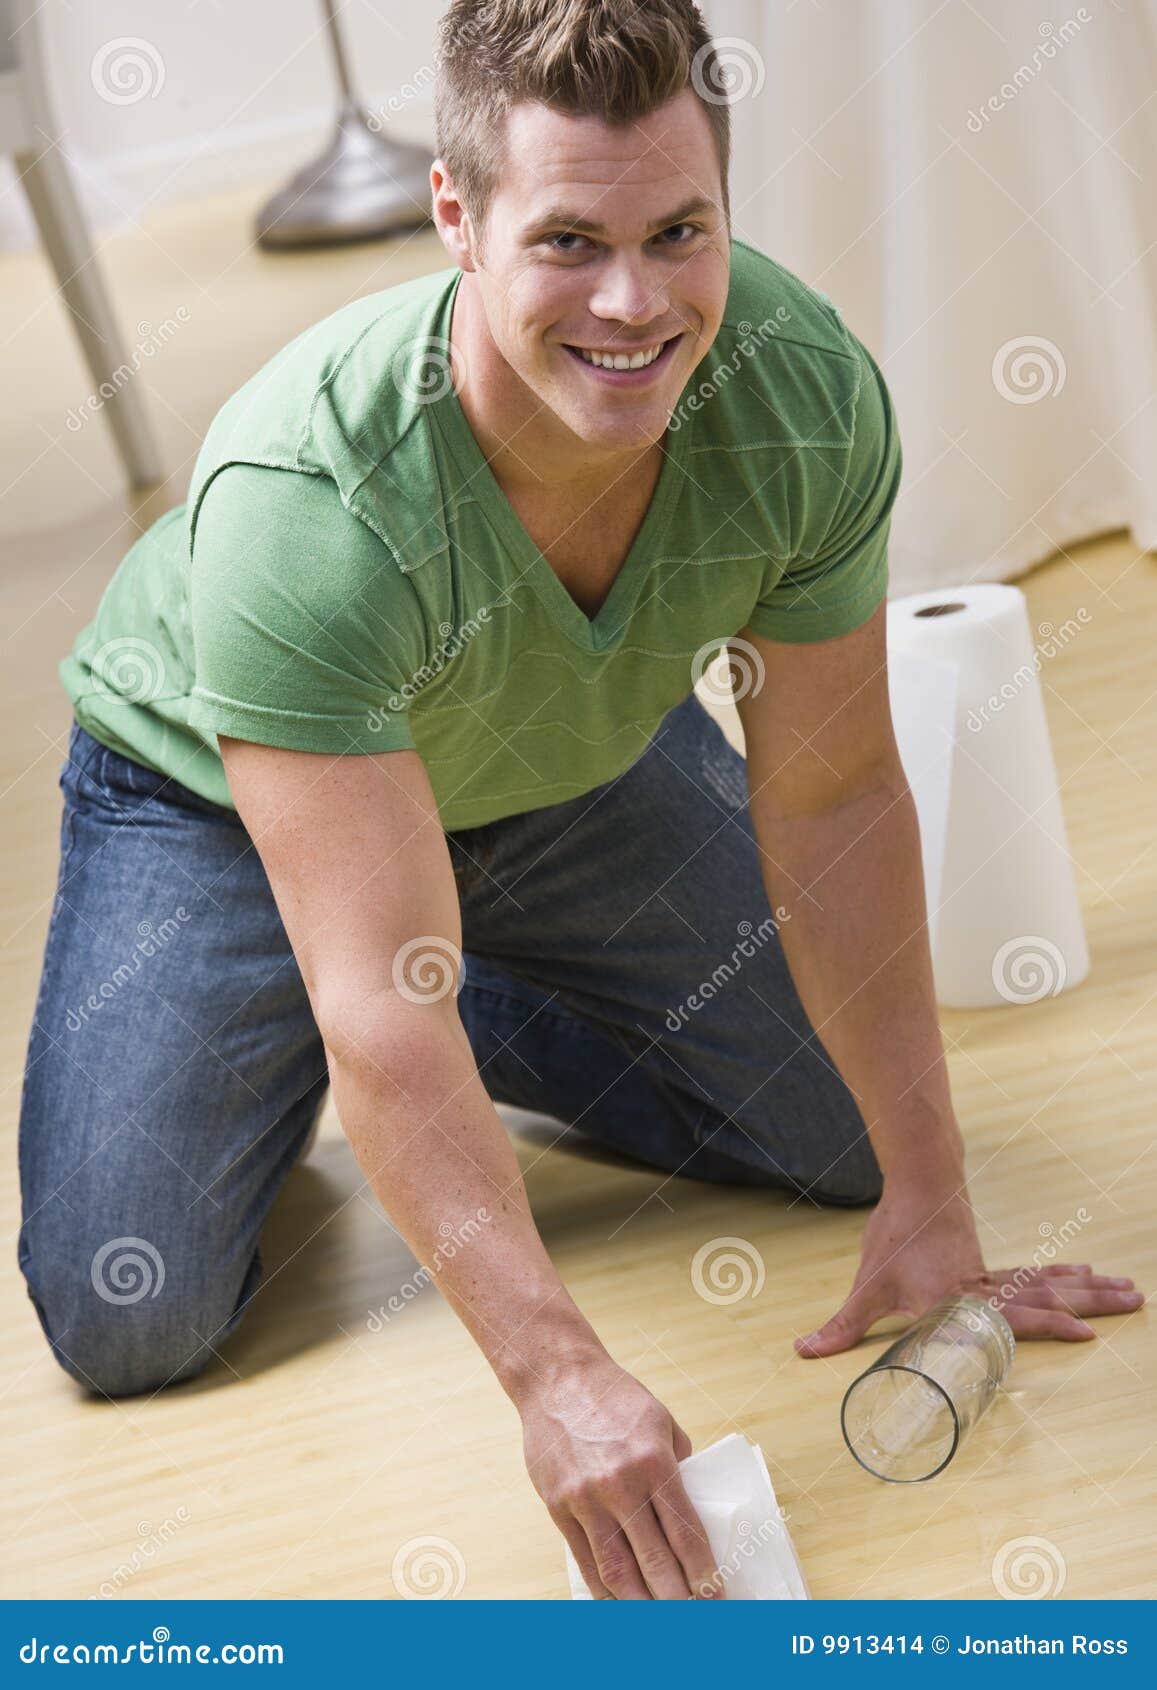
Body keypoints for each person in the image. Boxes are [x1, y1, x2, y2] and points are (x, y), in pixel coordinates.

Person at [18, 0, 1142, 1601]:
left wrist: (935, 1193)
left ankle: (473, 985)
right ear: (455, 217)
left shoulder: (800, 393)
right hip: (214, 793)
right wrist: (552, 1371)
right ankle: (324, 1023)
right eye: (566, 242)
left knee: (841, 1140)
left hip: (547, 773)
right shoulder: (306, 499)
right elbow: (383, 1003)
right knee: (136, 1319)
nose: (634, 305)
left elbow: (827, 795)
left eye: (678, 232)